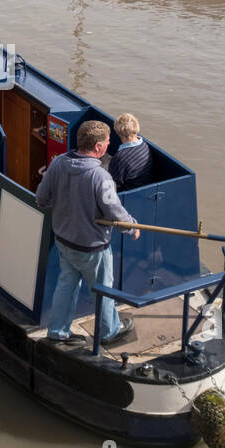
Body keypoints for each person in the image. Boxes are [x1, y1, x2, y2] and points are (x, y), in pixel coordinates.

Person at [35, 119, 139, 348]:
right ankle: (110, 331)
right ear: (99, 147)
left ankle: (57, 331)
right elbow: (115, 211)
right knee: (103, 289)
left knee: (67, 285)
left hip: (64, 242)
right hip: (92, 247)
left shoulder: (59, 163)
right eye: (108, 142)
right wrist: (132, 226)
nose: (109, 145)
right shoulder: (100, 177)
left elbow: (42, 198)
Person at [108, 113, 153, 192]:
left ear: (118, 132)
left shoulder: (120, 158)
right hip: (142, 184)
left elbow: (111, 183)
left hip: (126, 192)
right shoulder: (145, 146)